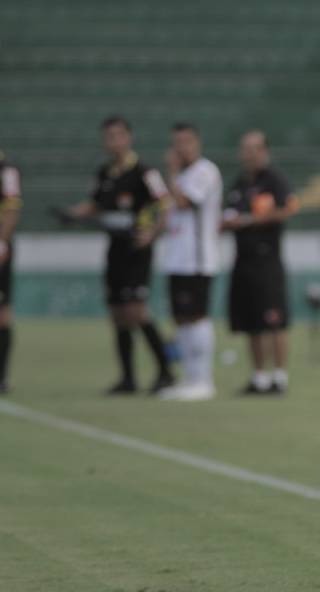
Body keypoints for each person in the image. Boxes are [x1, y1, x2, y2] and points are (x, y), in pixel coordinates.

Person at [58, 116, 174, 395]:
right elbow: (94, 204)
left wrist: (153, 233)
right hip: (115, 248)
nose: (113, 141)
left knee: (137, 310)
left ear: (129, 137)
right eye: (108, 136)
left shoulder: (144, 172)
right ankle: (128, 379)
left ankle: (166, 371)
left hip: (137, 249)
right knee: (118, 313)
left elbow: (166, 203)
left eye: (118, 135)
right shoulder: (105, 173)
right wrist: (72, 214)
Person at [222, 130, 298, 395]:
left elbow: (289, 208)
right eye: (244, 148)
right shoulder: (239, 183)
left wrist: (249, 220)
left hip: (267, 262)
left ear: (264, 151)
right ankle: (259, 377)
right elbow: (228, 213)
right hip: (243, 260)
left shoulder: (274, 180)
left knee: (275, 320)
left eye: (253, 148)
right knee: (251, 322)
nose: (247, 154)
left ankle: (279, 377)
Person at [159, 123, 222, 401]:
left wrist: (172, 173)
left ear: (197, 143)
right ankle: (189, 377)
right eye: (177, 142)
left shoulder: (205, 171)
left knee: (197, 316)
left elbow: (185, 203)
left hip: (197, 259)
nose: (181, 148)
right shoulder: (182, 176)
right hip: (176, 258)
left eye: (186, 142)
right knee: (181, 319)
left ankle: (203, 379)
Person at [0, 151, 22, 393]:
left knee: (2, 314)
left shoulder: (7, 171)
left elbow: (12, 209)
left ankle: (1, 376)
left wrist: (2, 242)